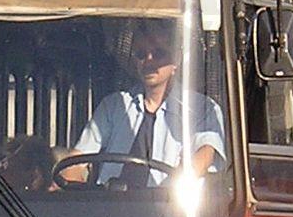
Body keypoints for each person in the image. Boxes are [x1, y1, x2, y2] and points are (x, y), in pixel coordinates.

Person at [63, 19, 227, 186]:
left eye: (158, 54)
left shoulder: (203, 108)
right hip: (109, 207)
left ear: (176, 60)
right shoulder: (113, 106)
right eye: (141, 55)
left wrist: (179, 184)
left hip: (169, 208)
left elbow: (205, 154)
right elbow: (78, 158)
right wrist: (70, 185)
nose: (149, 61)